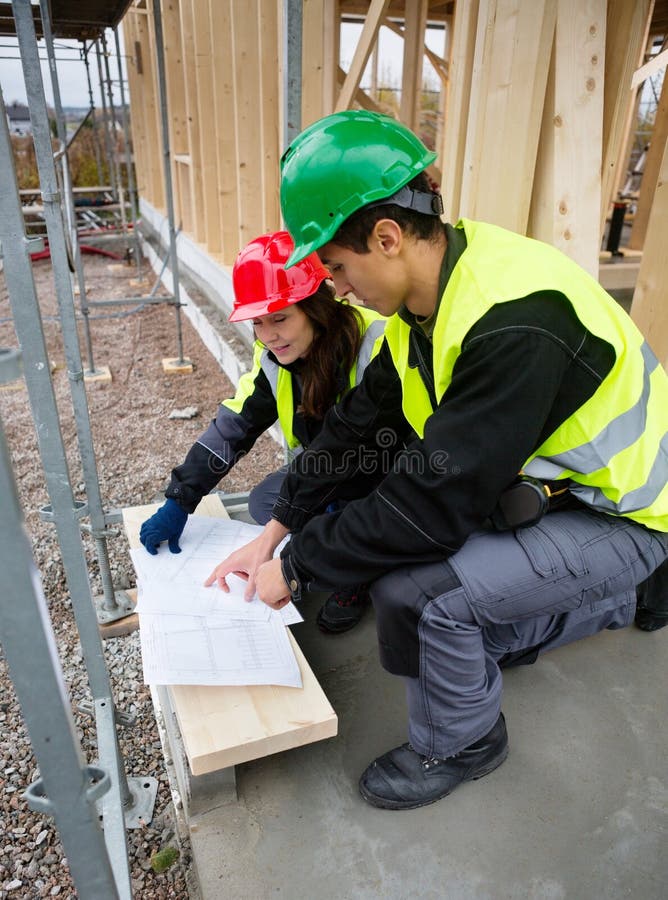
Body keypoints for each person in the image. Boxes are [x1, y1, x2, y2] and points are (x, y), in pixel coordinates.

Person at [207, 110, 668, 810]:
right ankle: (621, 600)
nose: (334, 288)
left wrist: (298, 567)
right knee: (424, 565)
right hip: (559, 490)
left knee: (420, 597)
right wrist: (277, 531)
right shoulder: (427, 305)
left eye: (335, 266)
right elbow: (355, 433)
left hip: (629, 512)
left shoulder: (513, 321)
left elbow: (432, 503)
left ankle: (462, 741)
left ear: (387, 238)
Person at [140, 230, 387, 633]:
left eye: (280, 317)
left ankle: (354, 578)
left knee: (332, 515)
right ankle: (337, 543)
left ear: (315, 307)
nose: (269, 335)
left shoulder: (373, 343)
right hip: (324, 477)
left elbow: (350, 448)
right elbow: (234, 426)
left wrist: (279, 537)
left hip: (377, 478)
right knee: (265, 502)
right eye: (258, 322)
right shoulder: (275, 357)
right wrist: (181, 498)